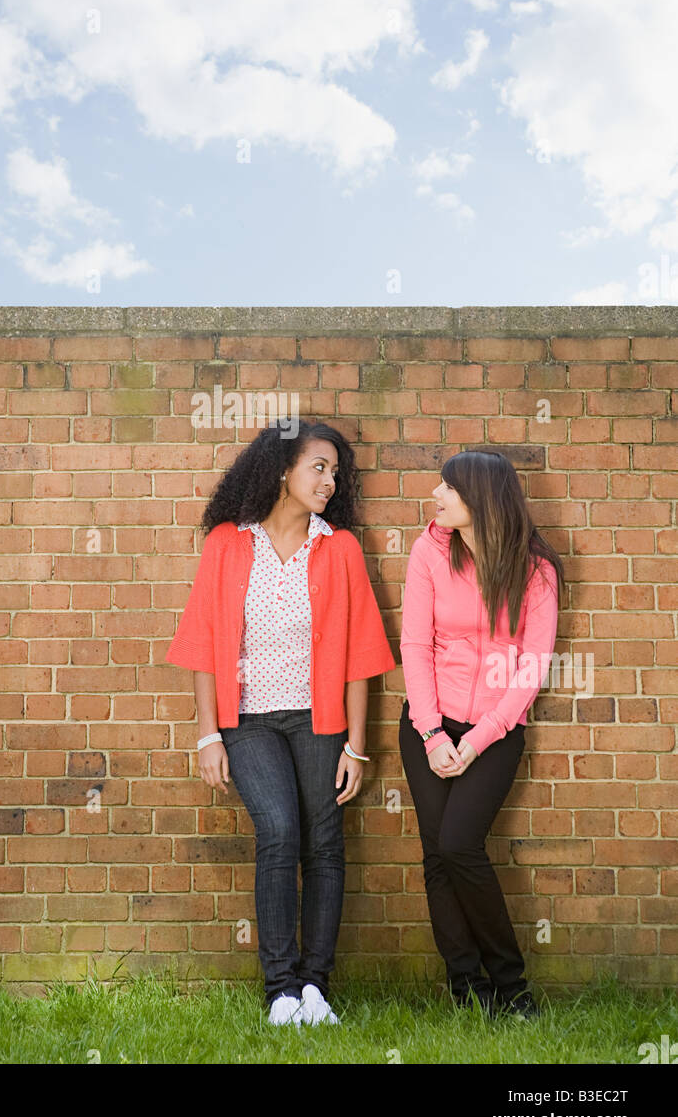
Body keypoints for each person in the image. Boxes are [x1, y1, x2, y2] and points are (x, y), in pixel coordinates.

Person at [166, 420, 394, 1026]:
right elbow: (202, 644)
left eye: (335, 472)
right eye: (318, 466)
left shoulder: (339, 548)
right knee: (279, 829)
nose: (329, 479)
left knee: (324, 841)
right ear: (282, 471)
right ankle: (280, 991)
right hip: (249, 722)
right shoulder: (228, 543)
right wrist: (208, 733)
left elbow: (360, 655)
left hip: (319, 719)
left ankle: (315, 988)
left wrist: (357, 745)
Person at [398, 448, 564, 1019]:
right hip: (428, 722)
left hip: (496, 732)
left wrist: (478, 738)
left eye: (448, 487)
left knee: (459, 844)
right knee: (436, 855)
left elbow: (531, 667)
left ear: (481, 500)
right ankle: (468, 990)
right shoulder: (428, 552)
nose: (436, 495)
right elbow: (415, 647)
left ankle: (513, 990)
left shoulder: (535, 570)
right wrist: (432, 734)